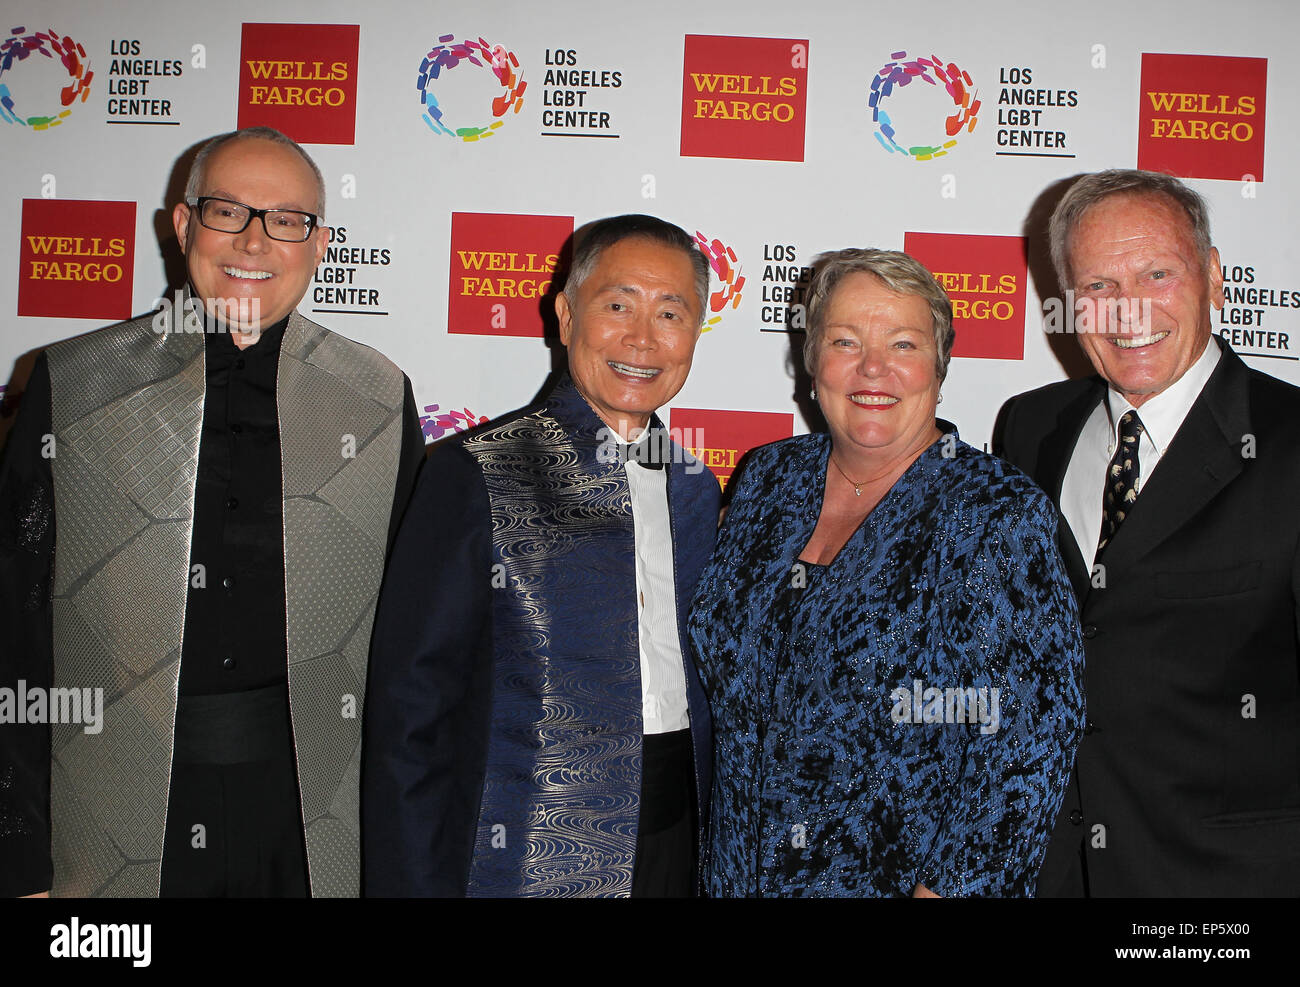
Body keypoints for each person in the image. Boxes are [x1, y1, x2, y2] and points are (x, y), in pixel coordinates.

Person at [0, 126, 424, 897]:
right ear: (184, 224)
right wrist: (20, 860)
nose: (255, 240)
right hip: (109, 811)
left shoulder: (377, 399)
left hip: (312, 822)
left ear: (319, 242)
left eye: (286, 219)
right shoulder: (74, 384)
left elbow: (410, 654)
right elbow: (12, 634)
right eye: (228, 210)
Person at [689, 248, 1084, 897]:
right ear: (812, 358)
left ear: (940, 365)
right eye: (846, 340)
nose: (873, 368)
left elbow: (1026, 753)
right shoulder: (768, 478)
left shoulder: (994, 515)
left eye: (903, 343)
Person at [363, 214, 720, 897]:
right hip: (525, 850)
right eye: (618, 305)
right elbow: (411, 715)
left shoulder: (696, 488)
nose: (642, 338)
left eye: (670, 313)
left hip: (681, 833)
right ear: (565, 314)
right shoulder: (477, 472)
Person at [996, 169, 1300, 896]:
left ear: (1215, 277)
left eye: (1157, 272)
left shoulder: (1290, 442)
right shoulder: (1030, 428)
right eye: (1097, 286)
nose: (1126, 309)